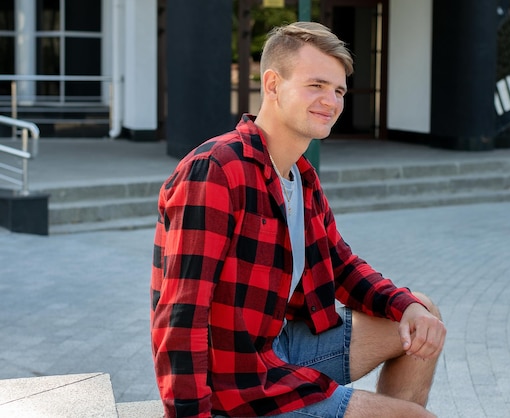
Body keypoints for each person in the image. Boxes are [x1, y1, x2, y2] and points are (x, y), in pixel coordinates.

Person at [150, 21, 446, 418]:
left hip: (281, 347)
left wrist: (404, 304)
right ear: (272, 85)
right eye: (316, 85)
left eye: (338, 90)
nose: (332, 101)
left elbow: (341, 266)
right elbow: (182, 314)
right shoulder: (217, 170)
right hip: (236, 380)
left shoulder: (300, 175)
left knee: (419, 316)